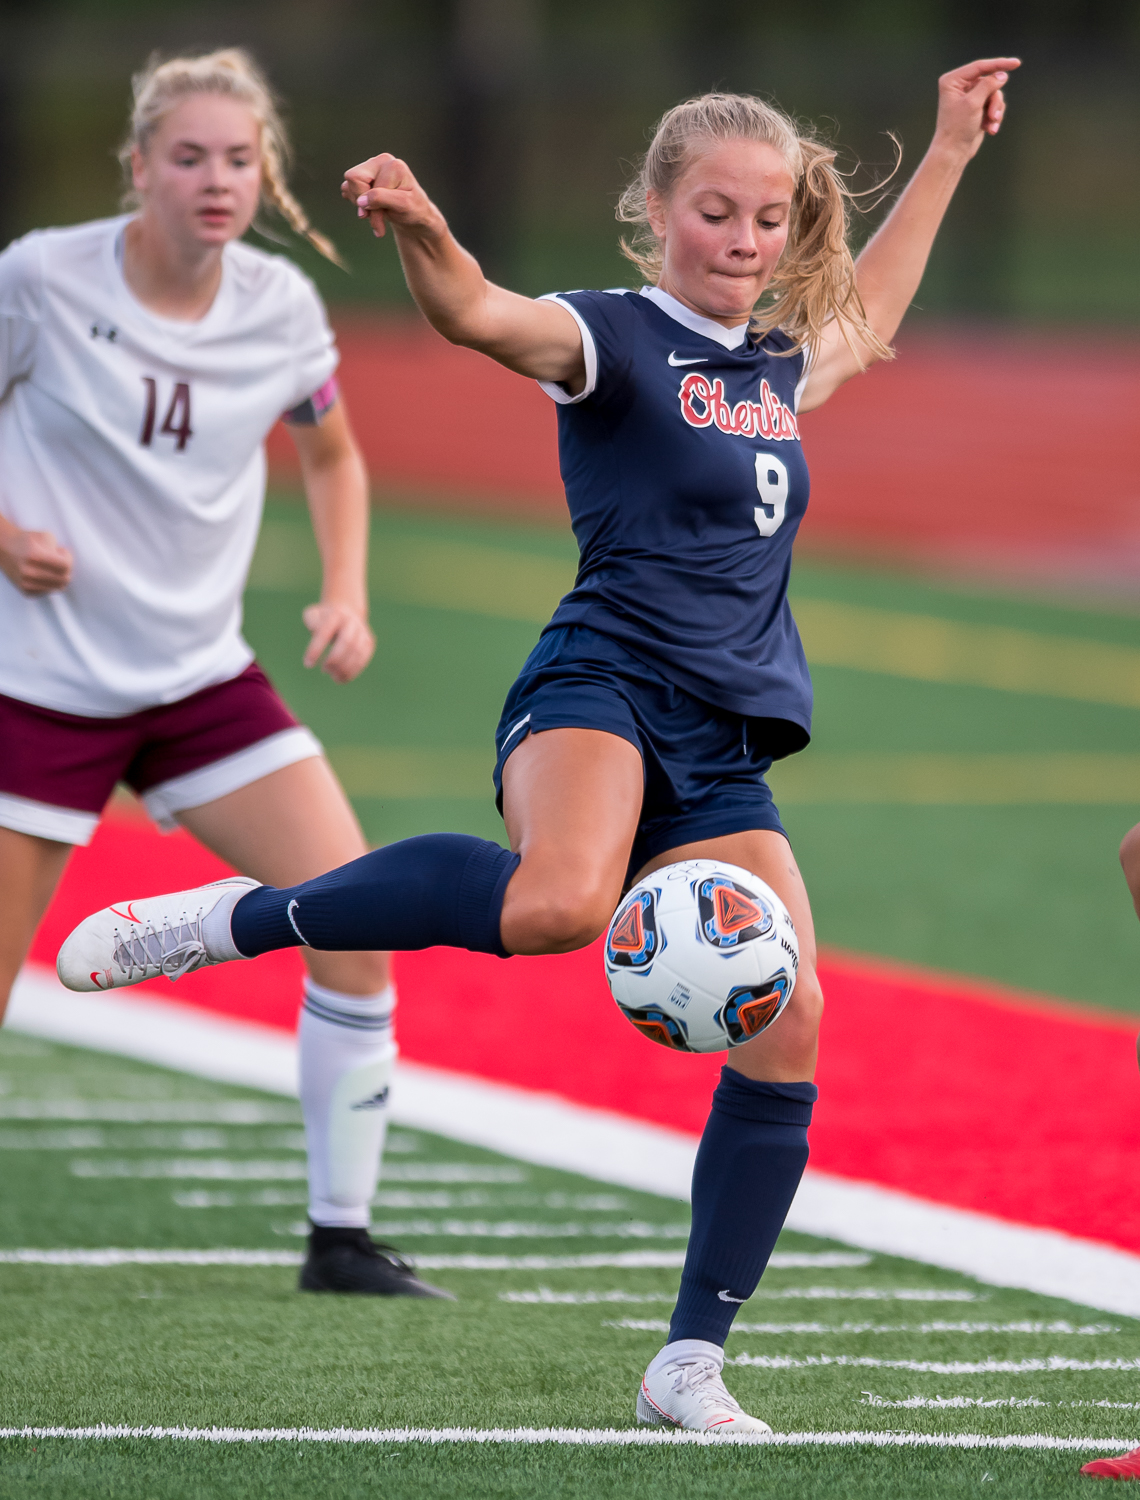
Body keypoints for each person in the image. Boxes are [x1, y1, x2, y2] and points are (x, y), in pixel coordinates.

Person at [59, 57, 1018, 1428]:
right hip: (603, 684)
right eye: (715, 213)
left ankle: (688, 1365)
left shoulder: (773, 363)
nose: (743, 242)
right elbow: (479, 315)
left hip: (724, 732)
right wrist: (424, 227)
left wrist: (947, 153)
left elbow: (872, 305)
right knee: (561, 903)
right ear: (655, 209)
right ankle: (240, 920)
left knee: (790, 1015)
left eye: (767, 219)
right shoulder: (612, 335)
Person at [1, 48, 447, 1299]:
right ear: (138, 167)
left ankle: (341, 1239)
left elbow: (335, 459)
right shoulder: (39, 277)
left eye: (238, 160)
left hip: (201, 685)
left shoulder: (281, 307)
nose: (214, 179)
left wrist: (345, 592)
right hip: (36, 686)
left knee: (356, 928)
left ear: (266, 176)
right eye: (187, 157)